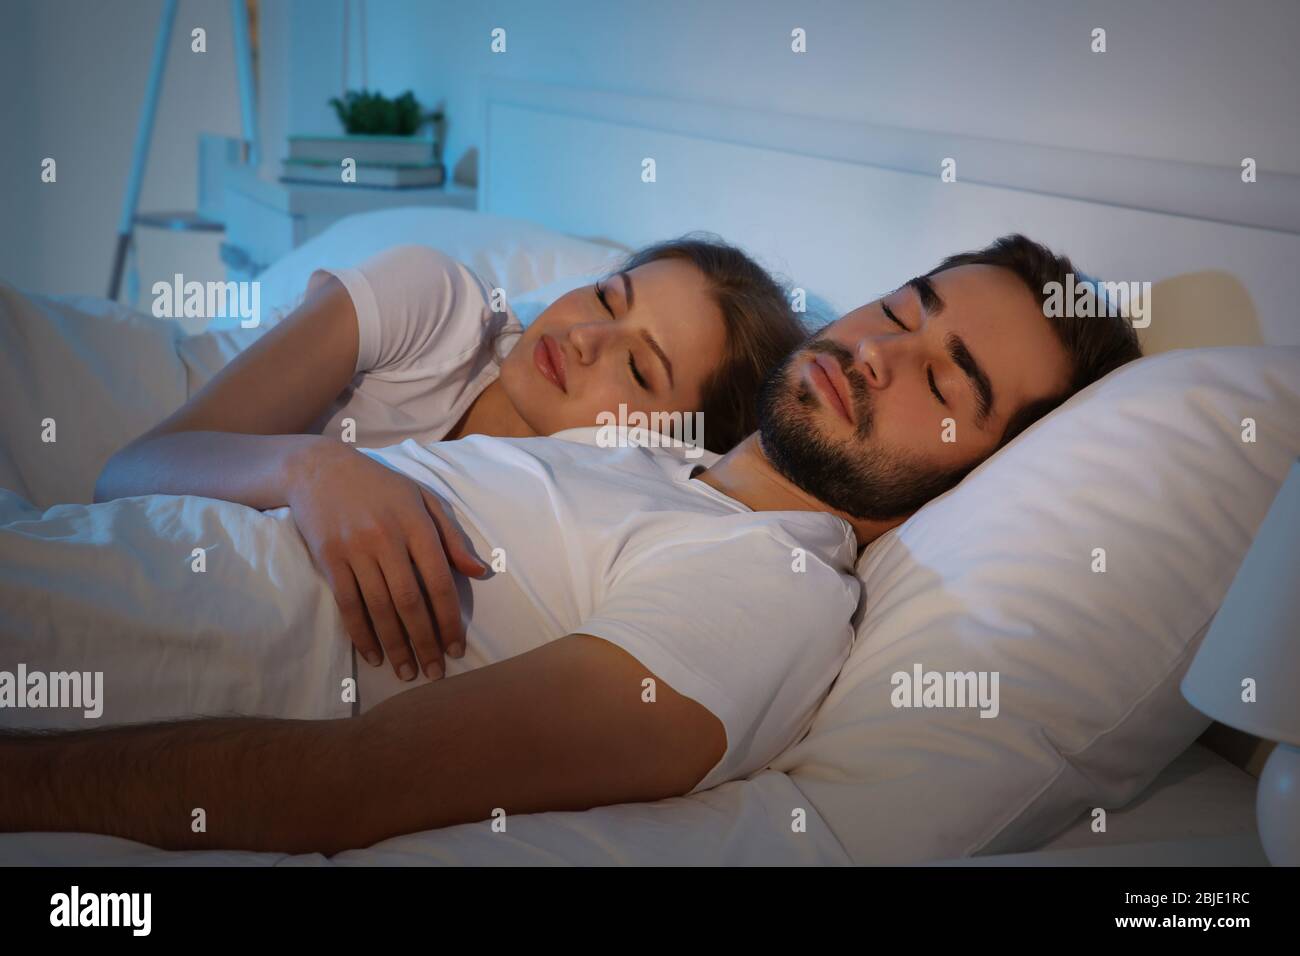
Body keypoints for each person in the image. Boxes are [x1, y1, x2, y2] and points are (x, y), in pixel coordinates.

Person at [0, 234, 1143, 854]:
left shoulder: (768, 586)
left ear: (977, 472)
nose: (878, 357)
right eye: (900, 310)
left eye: (944, 380)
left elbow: (349, 785)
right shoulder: (642, 463)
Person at [94, 237, 808, 682]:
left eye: (639, 367)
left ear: (670, 442)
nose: (586, 335)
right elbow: (125, 474)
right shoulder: (430, 302)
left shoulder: (575, 527)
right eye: (606, 297)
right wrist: (313, 468)